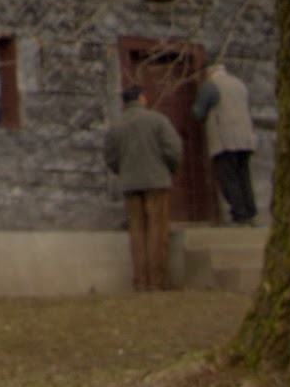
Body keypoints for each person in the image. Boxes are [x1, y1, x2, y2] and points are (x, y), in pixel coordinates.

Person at [105, 81, 183, 291]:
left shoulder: (117, 127)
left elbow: (110, 158)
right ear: (142, 98)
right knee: (157, 230)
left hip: (130, 187)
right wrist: (170, 169)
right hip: (157, 183)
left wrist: (124, 171)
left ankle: (140, 280)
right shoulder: (157, 120)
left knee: (136, 232)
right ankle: (156, 280)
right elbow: (174, 148)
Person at [192, 60, 258, 225]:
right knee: (244, 176)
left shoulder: (210, 86)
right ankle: (251, 211)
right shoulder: (239, 84)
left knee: (228, 178)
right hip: (245, 138)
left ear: (209, 72)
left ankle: (240, 213)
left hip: (224, 139)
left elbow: (199, 112)